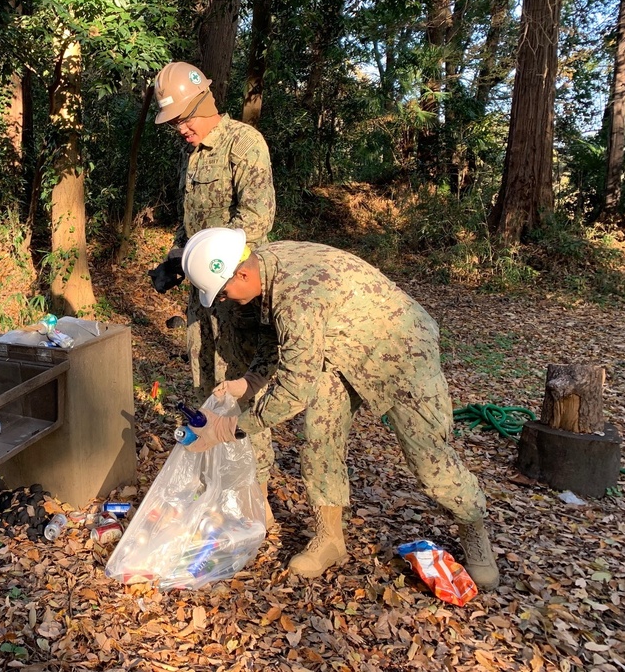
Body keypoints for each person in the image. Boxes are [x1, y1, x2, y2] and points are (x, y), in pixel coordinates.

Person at [177, 227, 500, 591]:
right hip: (338, 352)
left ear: (242, 273)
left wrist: (227, 429)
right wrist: (248, 383)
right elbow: (277, 342)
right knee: (319, 440)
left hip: (401, 354)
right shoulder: (266, 270)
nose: (225, 300)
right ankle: (329, 538)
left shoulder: (297, 296)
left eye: (223, 292)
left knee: (429, 460)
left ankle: (473, 527)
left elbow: (294, 388)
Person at [148, 61, 278, 514]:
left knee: (241, 385)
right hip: (201, 297)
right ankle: (218, 476)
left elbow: (256, 222)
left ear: (204, 104)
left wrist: (212, 265)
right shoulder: (193, 154)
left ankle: (253, 489)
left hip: (235, 293)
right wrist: (175, 261)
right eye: (175, 123)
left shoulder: (245, 144)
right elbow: (191, 226)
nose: (180, 129)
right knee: (205, 379)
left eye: (184, 119)